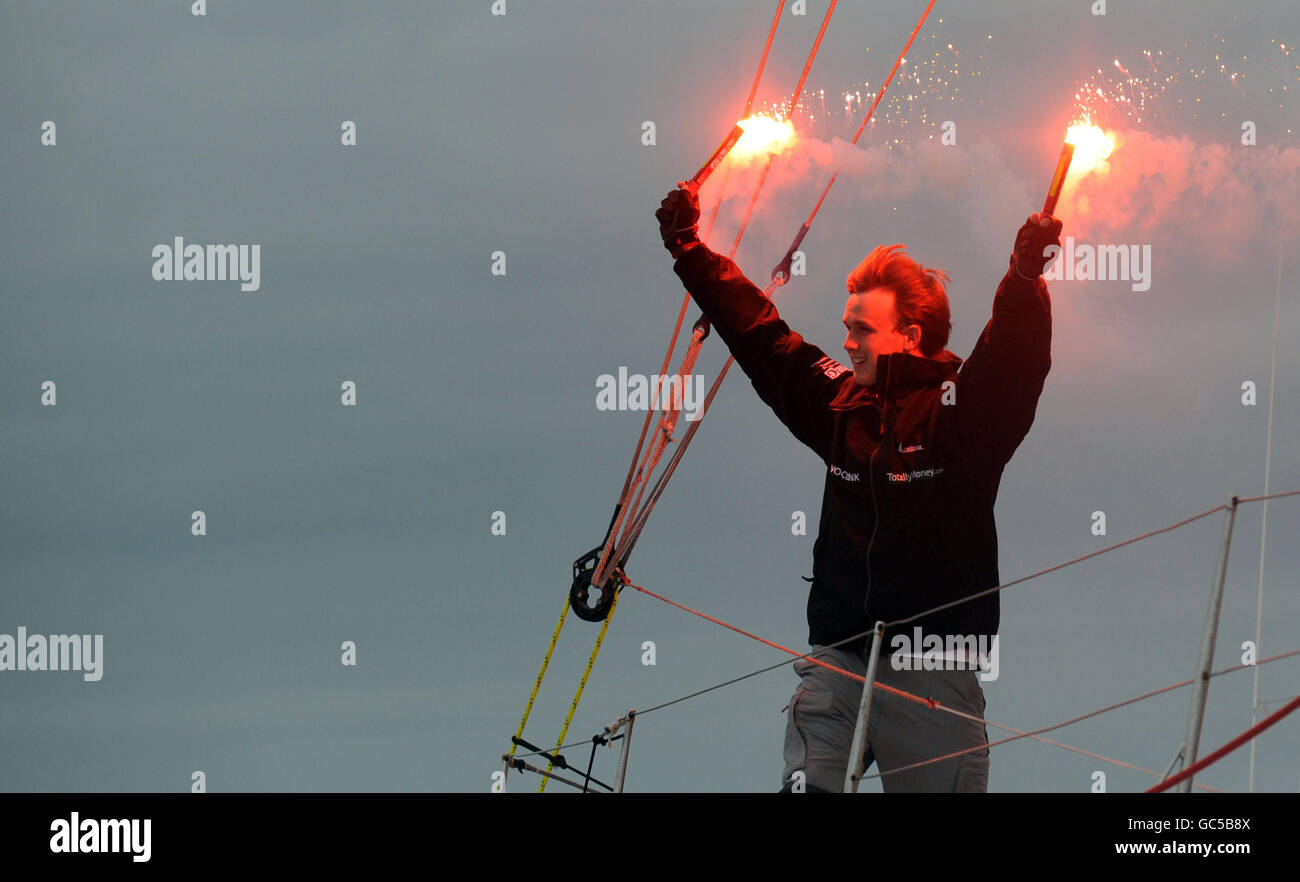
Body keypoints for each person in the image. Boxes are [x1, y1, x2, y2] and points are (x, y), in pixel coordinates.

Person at [655, 186, 1061, 792]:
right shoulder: (842, 406)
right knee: (809, 780)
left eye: (862, 330)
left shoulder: (963, 417)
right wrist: (689, 249)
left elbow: (1011, 360)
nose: (847, 342)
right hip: (841, 657)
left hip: (935, 666)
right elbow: (764, 337)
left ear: (911, 335)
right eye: (846, 328)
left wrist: (1025, 279)